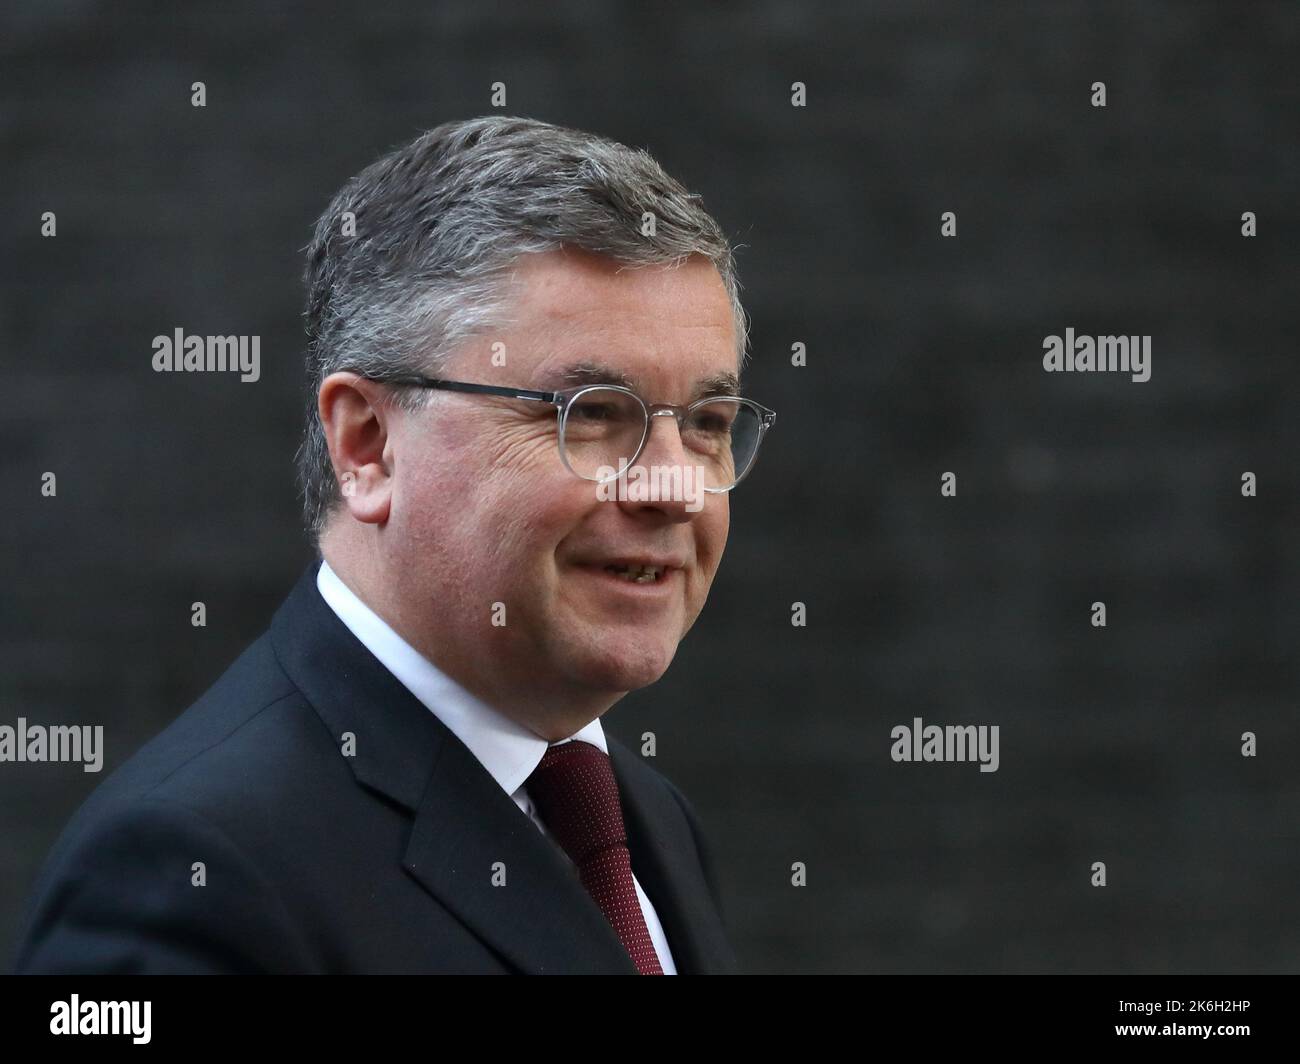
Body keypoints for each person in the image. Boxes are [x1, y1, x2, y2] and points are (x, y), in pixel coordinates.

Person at [11, 115, 775, 974]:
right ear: (367, 445)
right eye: (591, 414)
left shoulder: (640, 818)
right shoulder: (185, 875)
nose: (673, 487)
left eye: (707, 425)